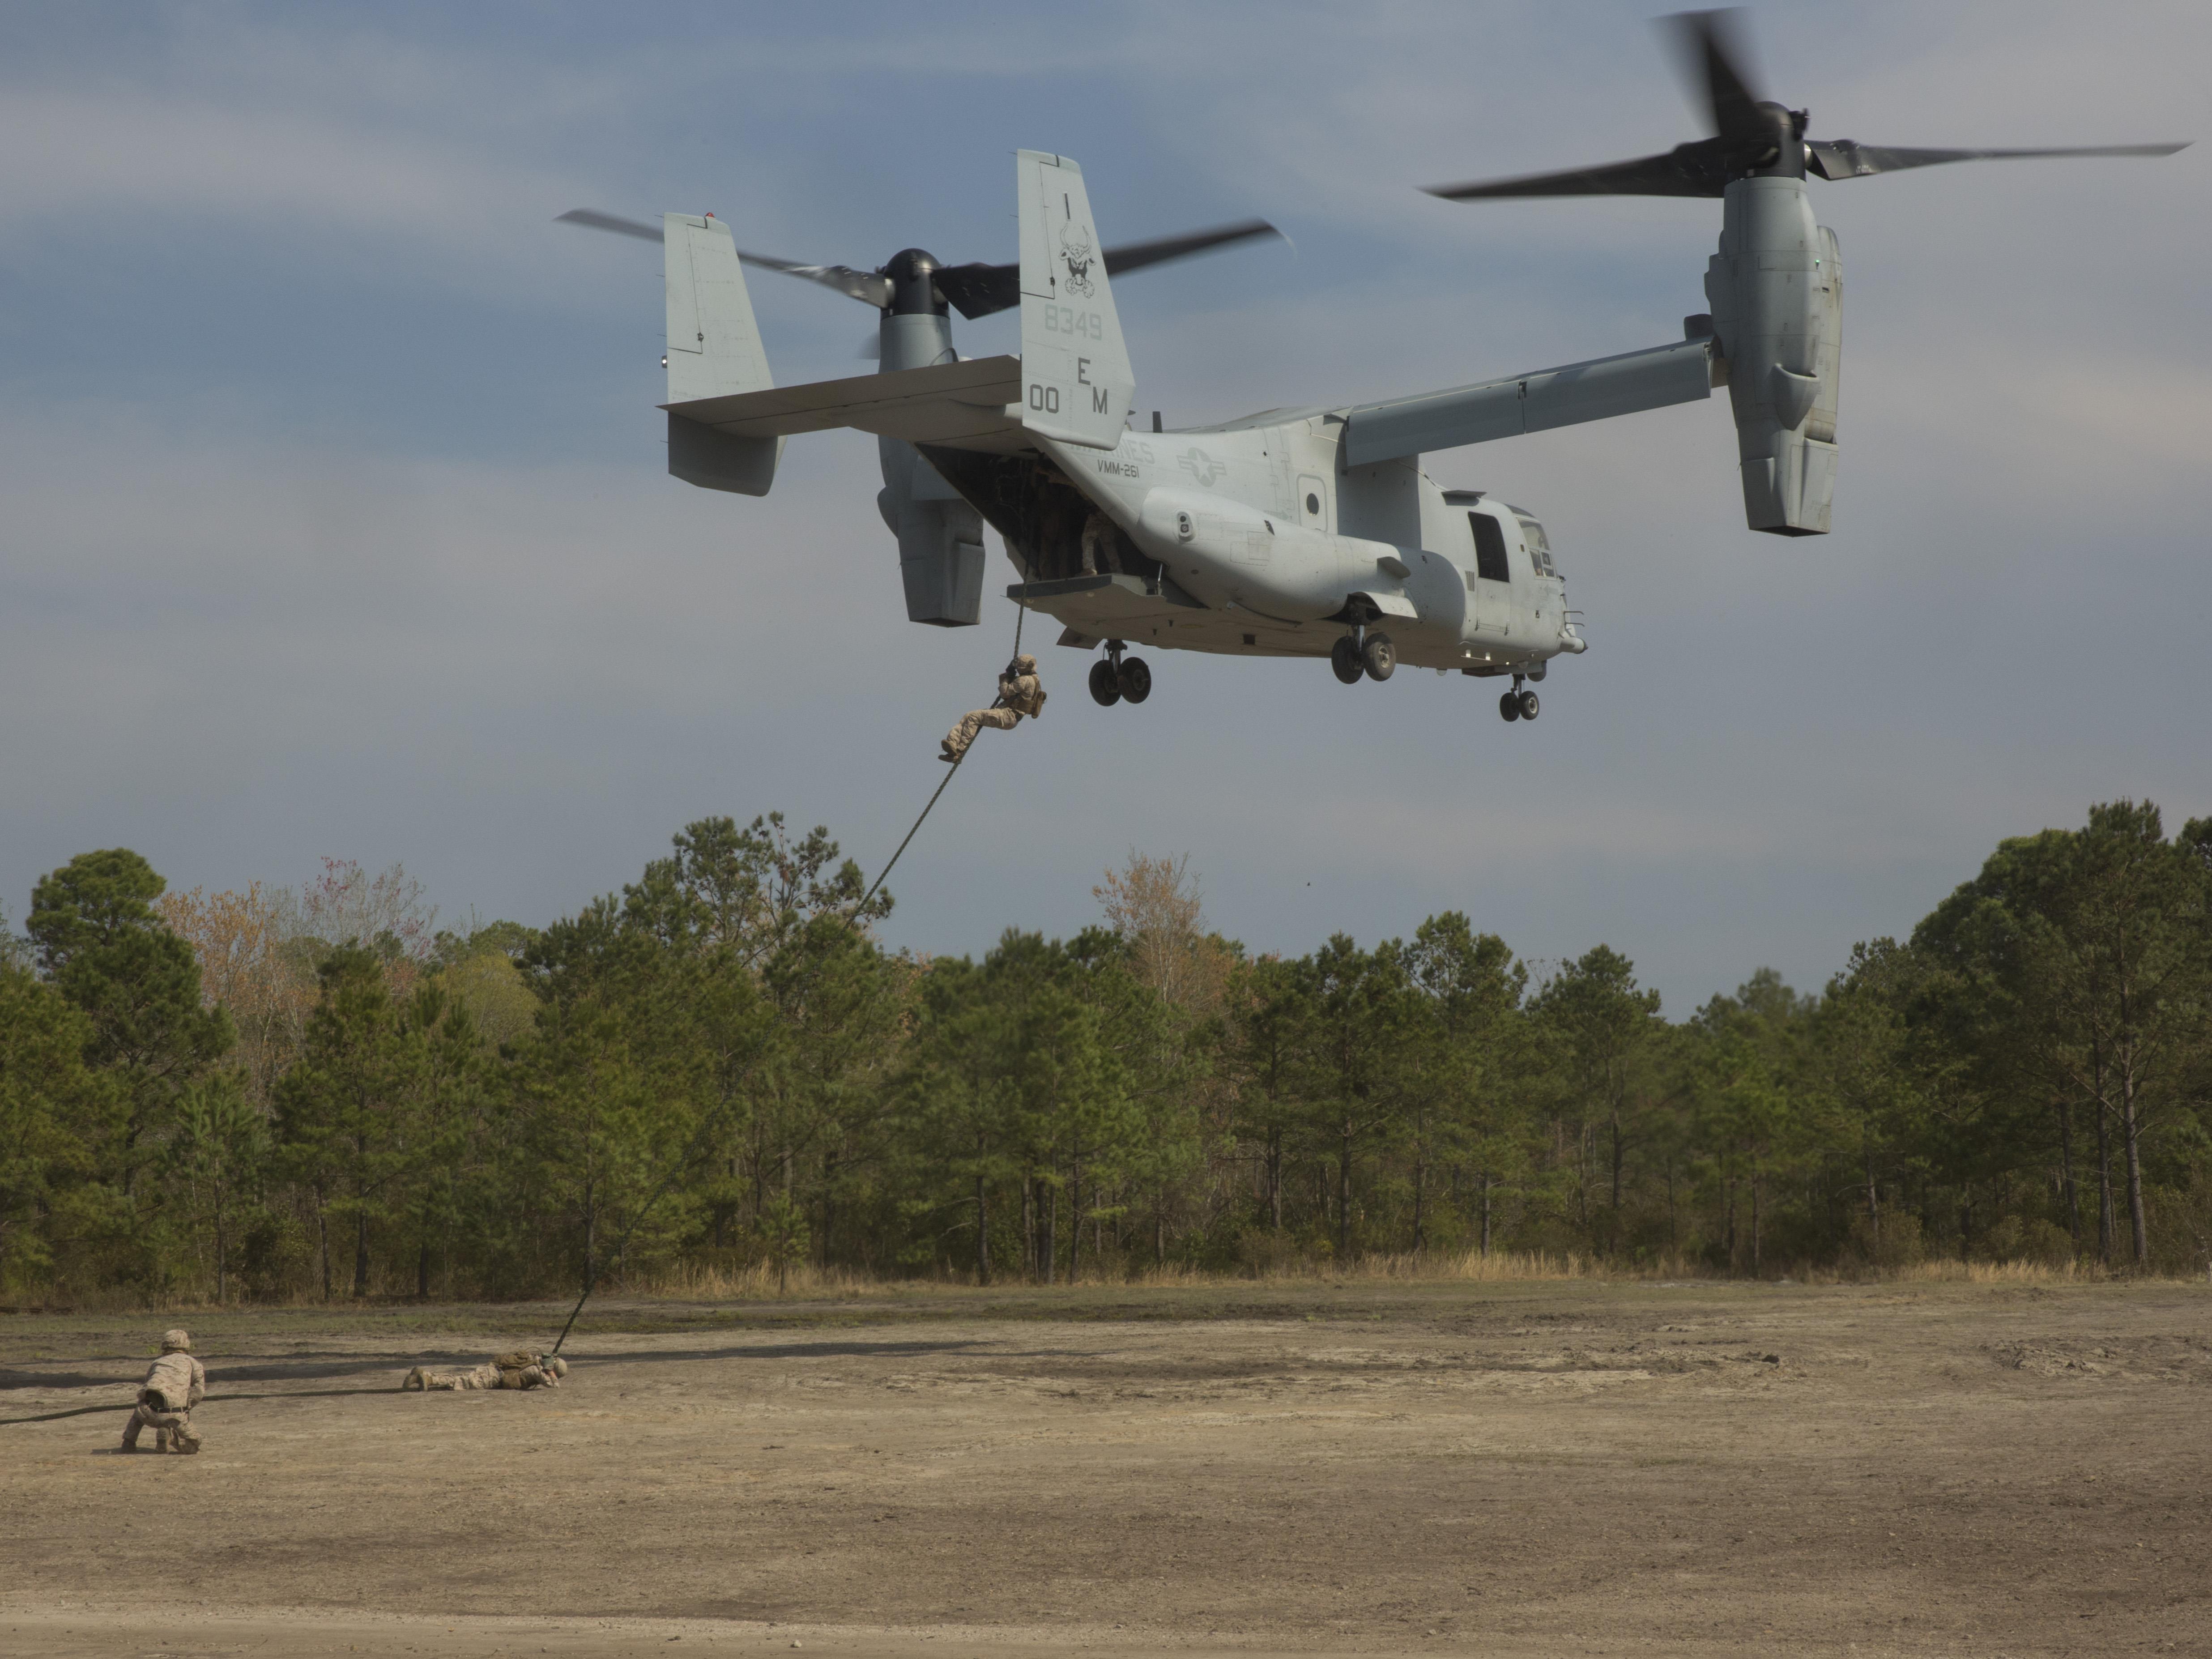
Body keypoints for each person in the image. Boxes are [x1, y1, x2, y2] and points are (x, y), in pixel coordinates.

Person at [942, 655, 1045, 762]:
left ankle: (959, 751)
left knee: (974, 717)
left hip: (1009, 716)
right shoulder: (1034, 679)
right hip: (1008, 715)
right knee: (969, 716)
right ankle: (953, 744)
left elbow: (1005, 693)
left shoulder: (1025, 680)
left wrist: (1007, 677)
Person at [119, 1328, 204, 1454]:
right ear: (186, 1344)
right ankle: (174, 1439)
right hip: (175, 1415)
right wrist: (188, 1406)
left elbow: (147, 1385)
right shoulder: (193, 1363)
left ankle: (129, 1442)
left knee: (139, 1410)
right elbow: (199, 1390)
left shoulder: (157, 1362)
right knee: (194, 1445)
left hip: (148, 1412)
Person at [402, 1350, 568, 1392]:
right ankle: (427, 1379)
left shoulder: (534, 1359)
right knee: (462, 1382)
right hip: (494, 1377)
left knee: (460, 1380)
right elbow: (554, 1386)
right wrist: (550, 1371)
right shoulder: (536, 1369)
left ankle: (425, 1375)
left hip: (493, 1371)